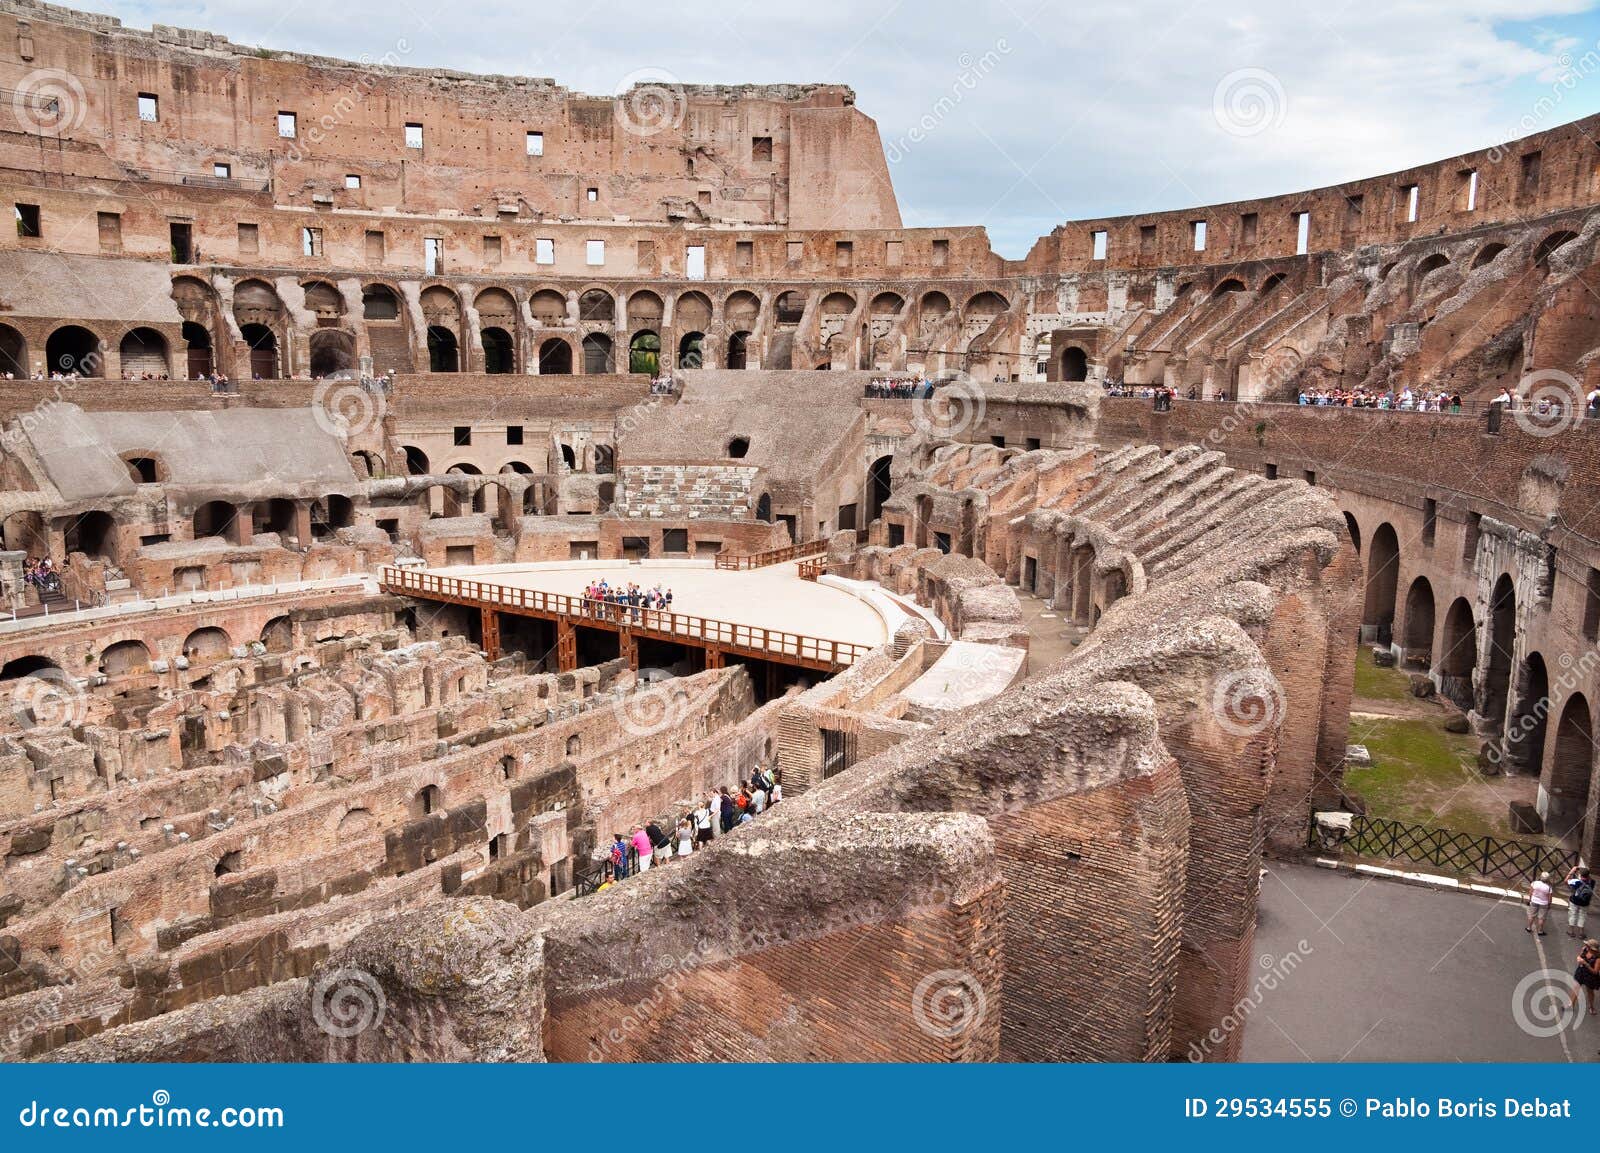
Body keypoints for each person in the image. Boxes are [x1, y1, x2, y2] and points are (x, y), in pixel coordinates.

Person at [1571, 938, 1600, 1016]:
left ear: (1592, 948)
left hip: (1590, 976)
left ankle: (1591, 1007)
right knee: (1576, 988)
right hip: (1581, 972)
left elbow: (1595, 971)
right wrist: (1579, 958)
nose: (1585, 946)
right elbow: (1580, 956)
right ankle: (1571, 1005)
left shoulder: (1598, 958)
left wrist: (1585, 963)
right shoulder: (1585, 950)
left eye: (1587, 945)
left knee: (1590, 991)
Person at [1567, 866, 1594, 938]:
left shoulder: (1576, 881)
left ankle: (1571, 932)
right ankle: (1581, 933)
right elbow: (1589, 878)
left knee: (1573, 914)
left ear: (1580, 875)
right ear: (1588, 875)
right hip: (1585, 903)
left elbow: (1565, 881)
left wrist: (1572, 871)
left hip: (1574, 901)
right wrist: (1586, 872)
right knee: (1582, 916)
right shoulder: (1592, 882)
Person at [1528, 870, 1554, 935]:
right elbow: (1549, 898)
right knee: (1541, 918)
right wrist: (1549, 905)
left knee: (1532, 915)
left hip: (1534, 901)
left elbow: (1530, 892)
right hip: (1544, 903)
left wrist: (1530, 899)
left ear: (1540, 877)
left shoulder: (1534, 883)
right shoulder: (1549, 887)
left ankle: (1529, 928)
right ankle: (1540, 931)